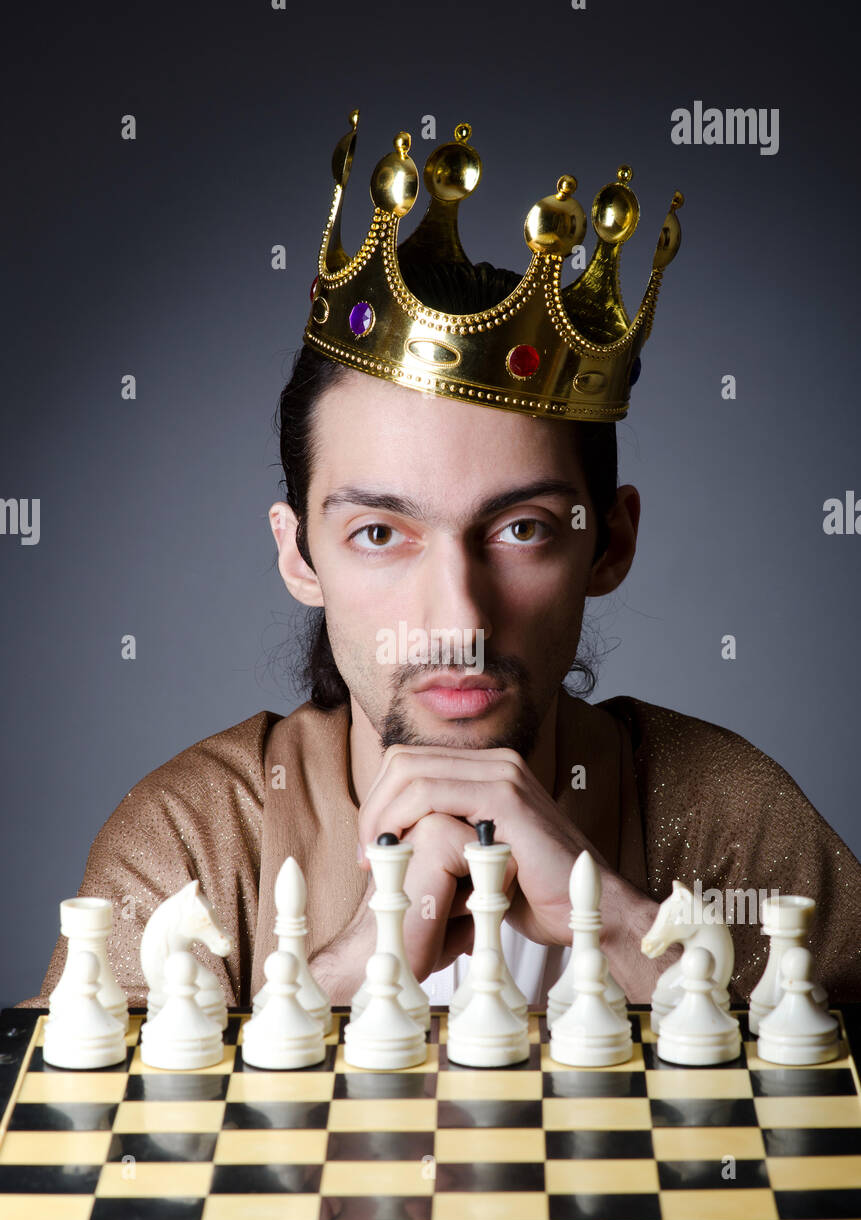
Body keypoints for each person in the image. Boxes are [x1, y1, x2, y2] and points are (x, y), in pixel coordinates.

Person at [18, 116, 861, 1011]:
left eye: (521, 529)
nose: (457, 621)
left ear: (609, 542)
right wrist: (347, 976)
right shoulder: (191, 839)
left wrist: (619, 927)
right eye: (380, 533)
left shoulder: (732, 816)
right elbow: (81, 1143)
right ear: (298, 554)